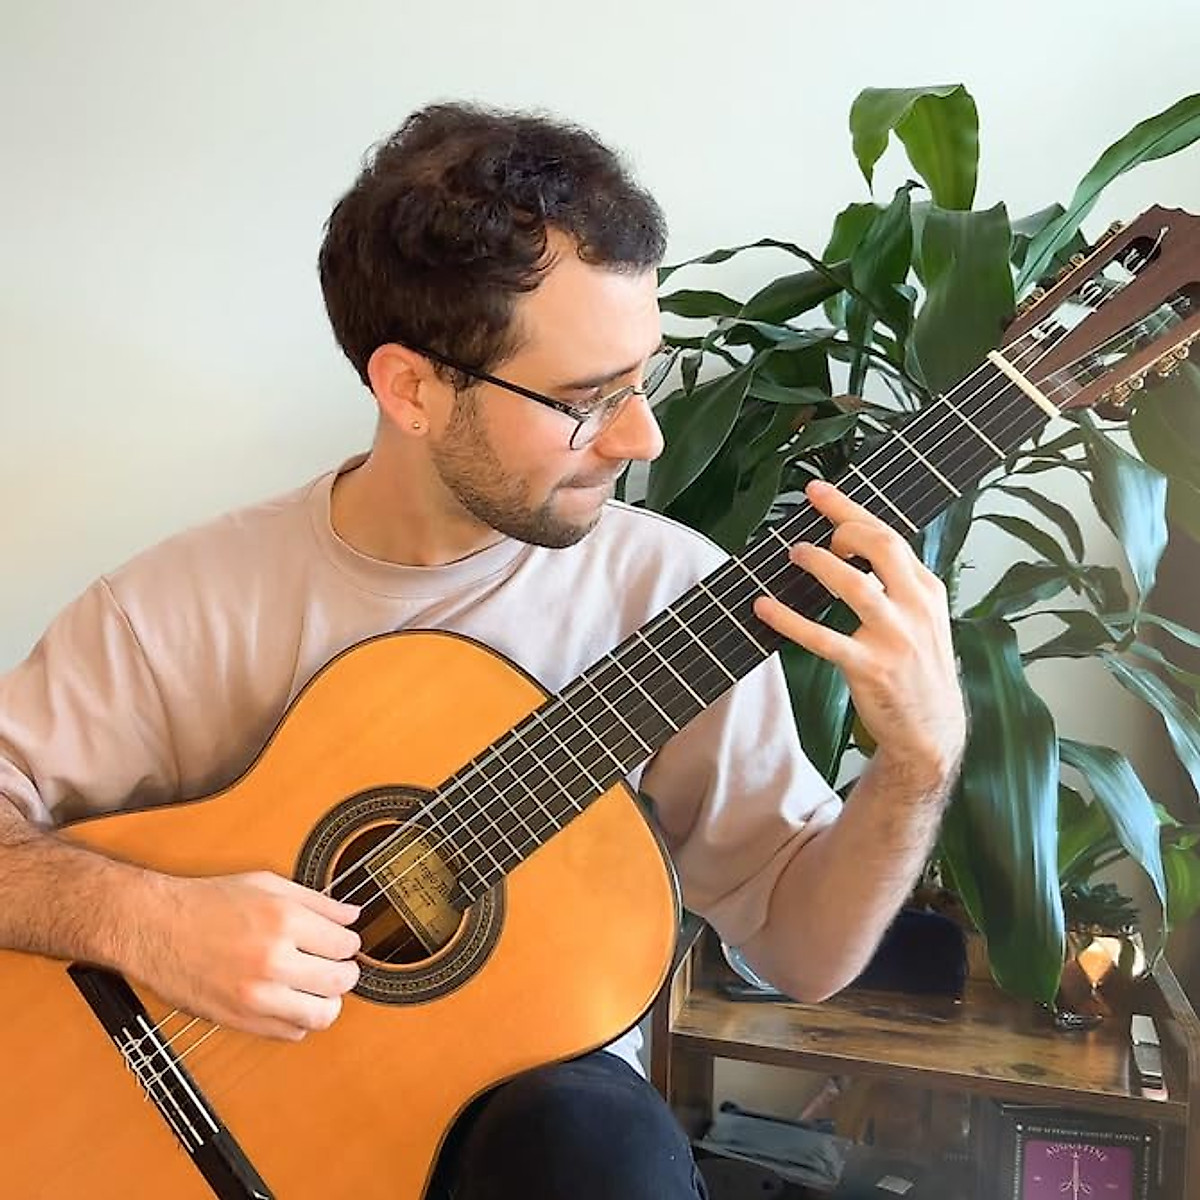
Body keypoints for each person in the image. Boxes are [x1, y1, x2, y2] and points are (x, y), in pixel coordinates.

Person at [0, 102, 966, 1199]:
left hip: (521, 1152)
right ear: (411, 389)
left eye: (641, 379)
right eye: (584, 400)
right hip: (198, 1135)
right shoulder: (184, 608)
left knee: (600, 1147)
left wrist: (917, 764)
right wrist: (152, 923)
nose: (642, 437)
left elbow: (803, 953)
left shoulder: (667, 597)